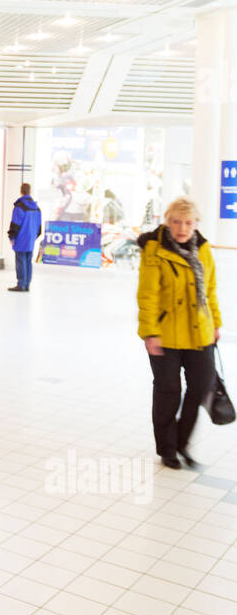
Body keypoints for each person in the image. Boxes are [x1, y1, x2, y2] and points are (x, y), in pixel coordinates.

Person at [137, 197, 222, 470]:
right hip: (165, 334)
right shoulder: (154, 249)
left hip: (199, 333)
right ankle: (167, 448)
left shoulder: (203, 249)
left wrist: (216, 325)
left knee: (200, 386)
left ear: (196, 224)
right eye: (176, 222)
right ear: (167, 221)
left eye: (188, 222)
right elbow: (147, 295)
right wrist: (150, 333)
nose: (182, 228)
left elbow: (209, 291)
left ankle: (183, 442)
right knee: (168, 391)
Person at [7, 182, 42, 292]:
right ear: (29, 191)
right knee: (28, 261)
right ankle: (27, 284)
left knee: (20, 261)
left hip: (21, 238)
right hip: (31, 239)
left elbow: (15, 224)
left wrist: (12, 237)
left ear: (21, 191)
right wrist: (34, 237)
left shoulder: (19, 207)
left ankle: (21, 284)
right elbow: (39, 226)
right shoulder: (36, 208)